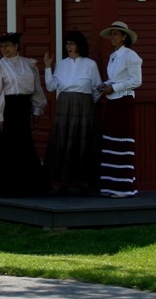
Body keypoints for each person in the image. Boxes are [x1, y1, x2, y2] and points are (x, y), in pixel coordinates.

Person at [0, 31, 48, 198]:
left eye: (7, 45)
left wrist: (36, 108)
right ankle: (7, 187)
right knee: (7, 147)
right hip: (7, 108)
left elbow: (36, 87)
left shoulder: (28, 64)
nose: (4, 49)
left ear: (16, 46)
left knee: (24, 145)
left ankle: (29, 186)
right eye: (2, 46)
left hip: (23, 107)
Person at [42, 31, 102, 196]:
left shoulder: (90, 64)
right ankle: (63, 182)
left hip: (84, 105)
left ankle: (84, 182)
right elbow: (51, 86)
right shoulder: (61, 64)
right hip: (65, 105)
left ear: (79, 45)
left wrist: (88, 103)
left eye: (72, 44)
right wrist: (48, 67)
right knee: (63, 142)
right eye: (67, 44)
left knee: (82, 143)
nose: (69, 47)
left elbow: (97, 88)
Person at [99, 21, 143, 198]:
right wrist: (105, 85)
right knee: (111, 139)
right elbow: (114, 78)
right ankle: (111, 186)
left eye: (116, 34)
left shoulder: (131, 55)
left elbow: (136, 81)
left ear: (124, 36)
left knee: (122, 140)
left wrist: (115, 88)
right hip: (112, 102)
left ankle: (123, 188)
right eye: (111, 35)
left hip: (123, 101)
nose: (113, 38)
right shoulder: (113, 56)